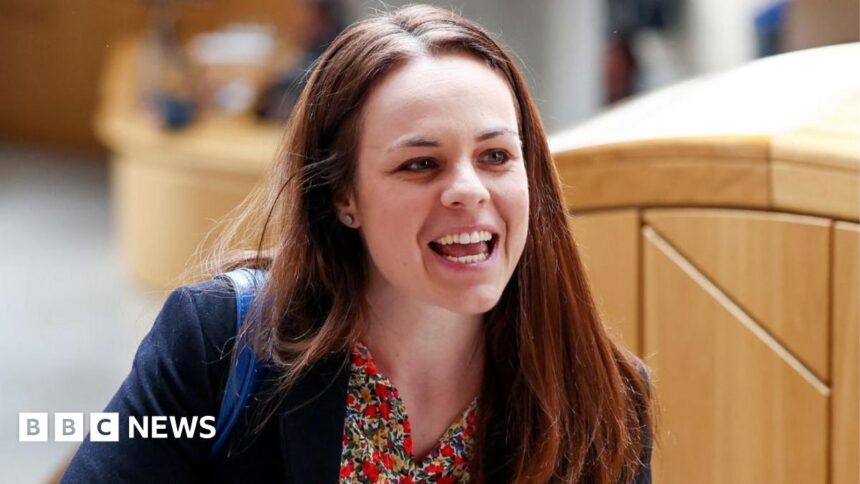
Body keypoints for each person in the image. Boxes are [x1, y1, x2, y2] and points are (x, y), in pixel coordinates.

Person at [63, 4, 653, 483]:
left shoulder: (605, 398)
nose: (469, 190)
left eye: (495, 156)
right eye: (421, 164)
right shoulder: (215, 343)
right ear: (343, 196)